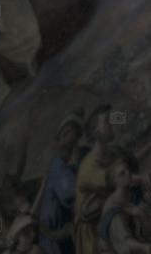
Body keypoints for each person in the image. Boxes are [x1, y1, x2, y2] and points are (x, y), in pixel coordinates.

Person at [35, 110, 85, 254]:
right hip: (55, 236)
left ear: (78, 134)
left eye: (68, 132)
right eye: (63, 134)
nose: (65, 137)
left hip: (66, 230)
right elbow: (69, 194)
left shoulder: (84, 154)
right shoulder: (58, 165)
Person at [74, 106, 117, 254]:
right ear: (96, 133)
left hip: (111, 220)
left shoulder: (111, 154)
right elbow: (114, 180)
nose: (112, 124)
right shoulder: (88, 167)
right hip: (93, 236)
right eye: (107, 122)